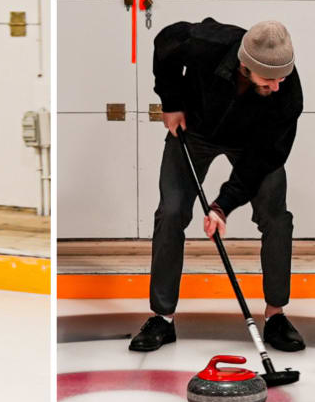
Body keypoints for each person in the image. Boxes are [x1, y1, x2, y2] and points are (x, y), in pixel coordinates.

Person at [130, 18, 304, 353]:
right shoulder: (206, 43)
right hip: (195, 131)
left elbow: (266, 155)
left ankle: (276, 315)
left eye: (282, 77)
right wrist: (171, 102)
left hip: (253, 145)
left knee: (276, 216)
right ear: (245, 66)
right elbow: (165, 41)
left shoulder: (287, 93)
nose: (277, 86)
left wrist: (222, 205)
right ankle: (162, 317)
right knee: (171, 212)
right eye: (268, 79)